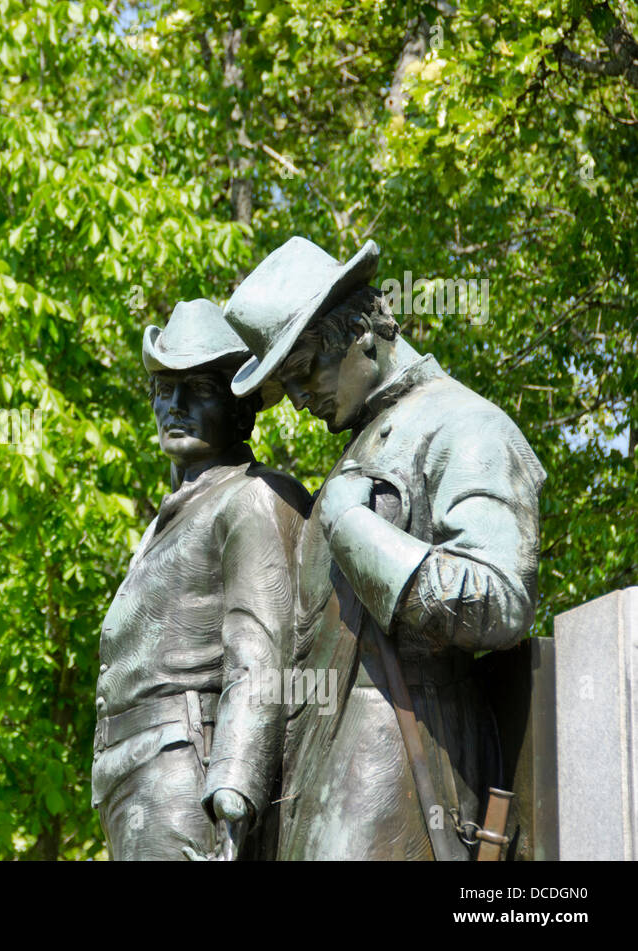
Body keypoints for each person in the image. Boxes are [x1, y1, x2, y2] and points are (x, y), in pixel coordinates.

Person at [222, 237, 546, 859]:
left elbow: (501, 602)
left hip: (399, 780)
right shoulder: (365, 445)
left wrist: (361, 536)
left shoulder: (463, 423)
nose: (295, 399)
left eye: (302, 369)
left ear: (365, 332)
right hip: (318, 785)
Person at [92, 298, 309, 860]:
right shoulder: (174, 513)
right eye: (165, 390)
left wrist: (234, 787)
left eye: (200, 390)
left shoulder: (253, 496)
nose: (176, 405)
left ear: (241, 411)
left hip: (188, 772)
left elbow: (260, 653)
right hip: (130, 779)